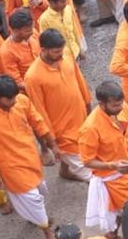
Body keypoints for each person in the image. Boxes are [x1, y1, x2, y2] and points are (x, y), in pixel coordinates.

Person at [0, 75, 58, 239]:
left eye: (14, 97)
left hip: (32, 159)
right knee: (32, 198)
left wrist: (53, 145)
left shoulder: (21, 101)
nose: (14, 101)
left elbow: (38, 122)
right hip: (11, 168)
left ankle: (35, 217)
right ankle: (48, 234)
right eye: (9, 99)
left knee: (40, 191)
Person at [78, 80, 128, 239]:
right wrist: (112, 165)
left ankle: (112, 235)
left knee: (123, 211)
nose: (120, 108)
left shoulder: (122, 108)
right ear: (101, 104)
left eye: (121, 103)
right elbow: (87, 161)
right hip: (113, 178)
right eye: (115, 105)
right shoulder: (90, 128)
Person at [25, 29, 92, 182]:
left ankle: (65, 170)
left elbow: (79, 79)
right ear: (43, 50)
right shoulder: (33, 77)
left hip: (81, 119)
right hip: (63, 133)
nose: (61, 54)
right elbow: (39, 113)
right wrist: (52, 143)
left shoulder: (66, 54)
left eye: (61, 50)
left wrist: (88, 104)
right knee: (91, 175)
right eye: (56, 52)